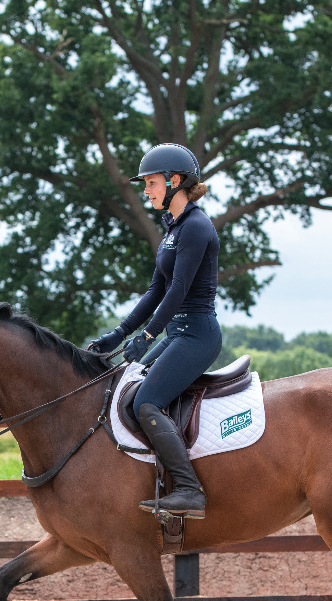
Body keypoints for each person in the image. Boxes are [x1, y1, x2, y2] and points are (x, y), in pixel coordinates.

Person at [87, 143, 222, 518]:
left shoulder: (195, 226)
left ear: (174, 181)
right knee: (128, 395)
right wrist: (119, 333)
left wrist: (146, 337)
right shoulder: (173, 229)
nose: (146, 190)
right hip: (176, 334)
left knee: (147, 401)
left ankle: (190, 490)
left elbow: (179, 291)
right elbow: (156, 291)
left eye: (151, 183)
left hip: (197, 335)